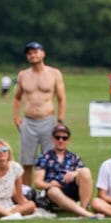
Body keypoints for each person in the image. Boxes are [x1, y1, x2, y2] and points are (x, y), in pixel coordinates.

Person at [14, 41, 66, 186]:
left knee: (50, 159)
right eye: (29, 53)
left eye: (35, 52)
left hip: (48, 121)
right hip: (28, 122)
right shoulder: (23, 75)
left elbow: (61, 98)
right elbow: (17, 97)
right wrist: (16, 117)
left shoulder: (54, 73)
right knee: (27, 161)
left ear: (43, 53)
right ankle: (27, 192)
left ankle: (49, 193)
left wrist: (60, 121)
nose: (33, 55)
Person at [33, 124, 102, 219]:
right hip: (54, 192)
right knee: (53, 191)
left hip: (72, 189)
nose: (61, 140)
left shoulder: (74, 158)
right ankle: (85, 214)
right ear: (52, 139)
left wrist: (75, 173)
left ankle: (83, 208)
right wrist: (50, 185)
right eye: (57, 137)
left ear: (68, 140)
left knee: (85, 171)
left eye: (64, 138)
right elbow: (37, 182)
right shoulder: (44, 157)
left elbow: (84, 175)